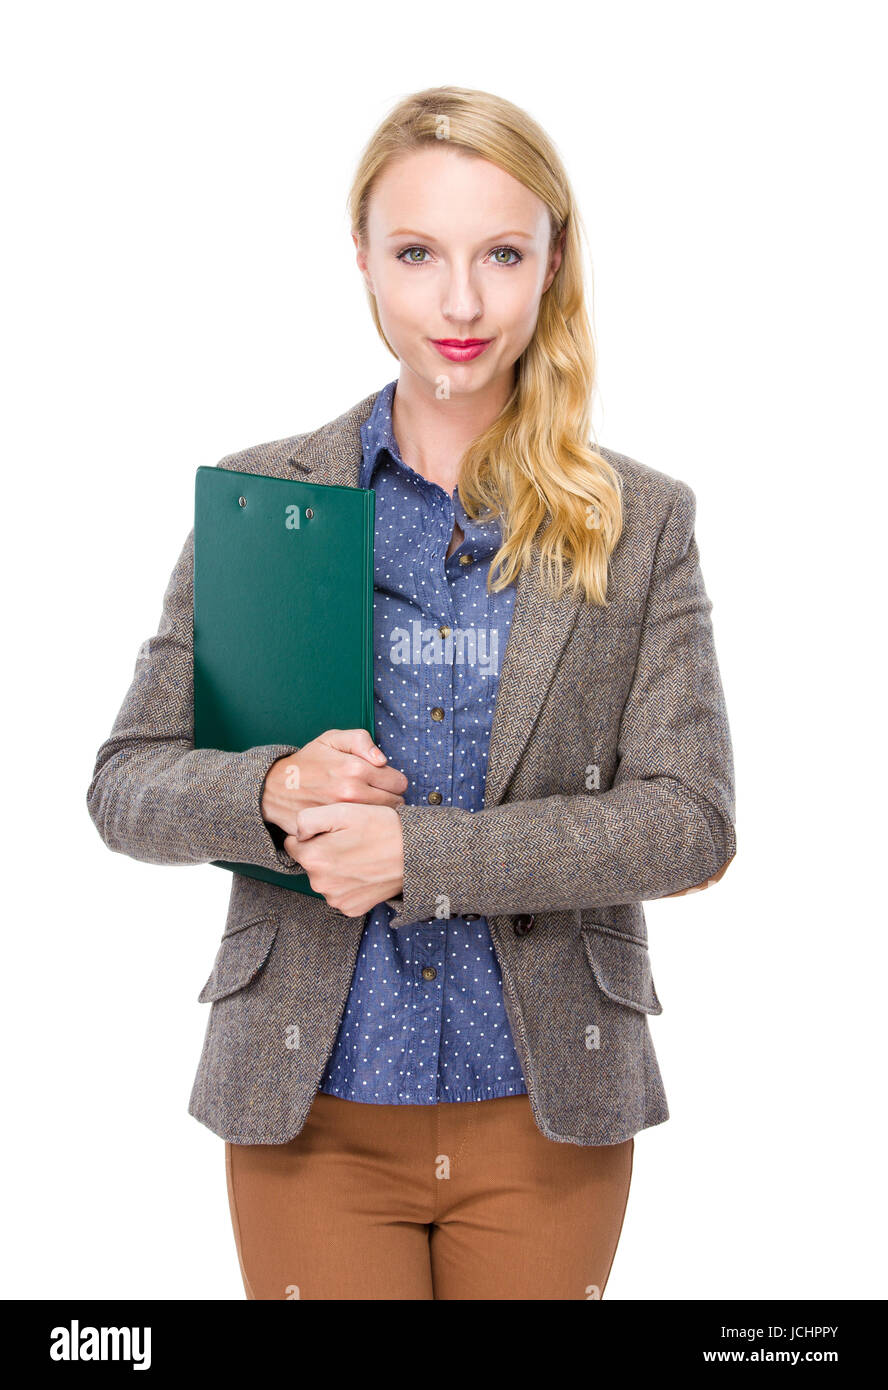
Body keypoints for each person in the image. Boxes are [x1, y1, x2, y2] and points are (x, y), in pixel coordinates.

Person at [87, 85, 736, 1300]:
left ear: (553, 261)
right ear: (363, 260)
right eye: (417, 253)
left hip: (545, 1099)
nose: (459, 302)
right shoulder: (264, 497)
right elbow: (126, 783)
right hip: (308, 1097)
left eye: (501, 253)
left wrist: (422, 856)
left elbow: (691, 819)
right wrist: (272, 790)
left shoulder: (638, 521)